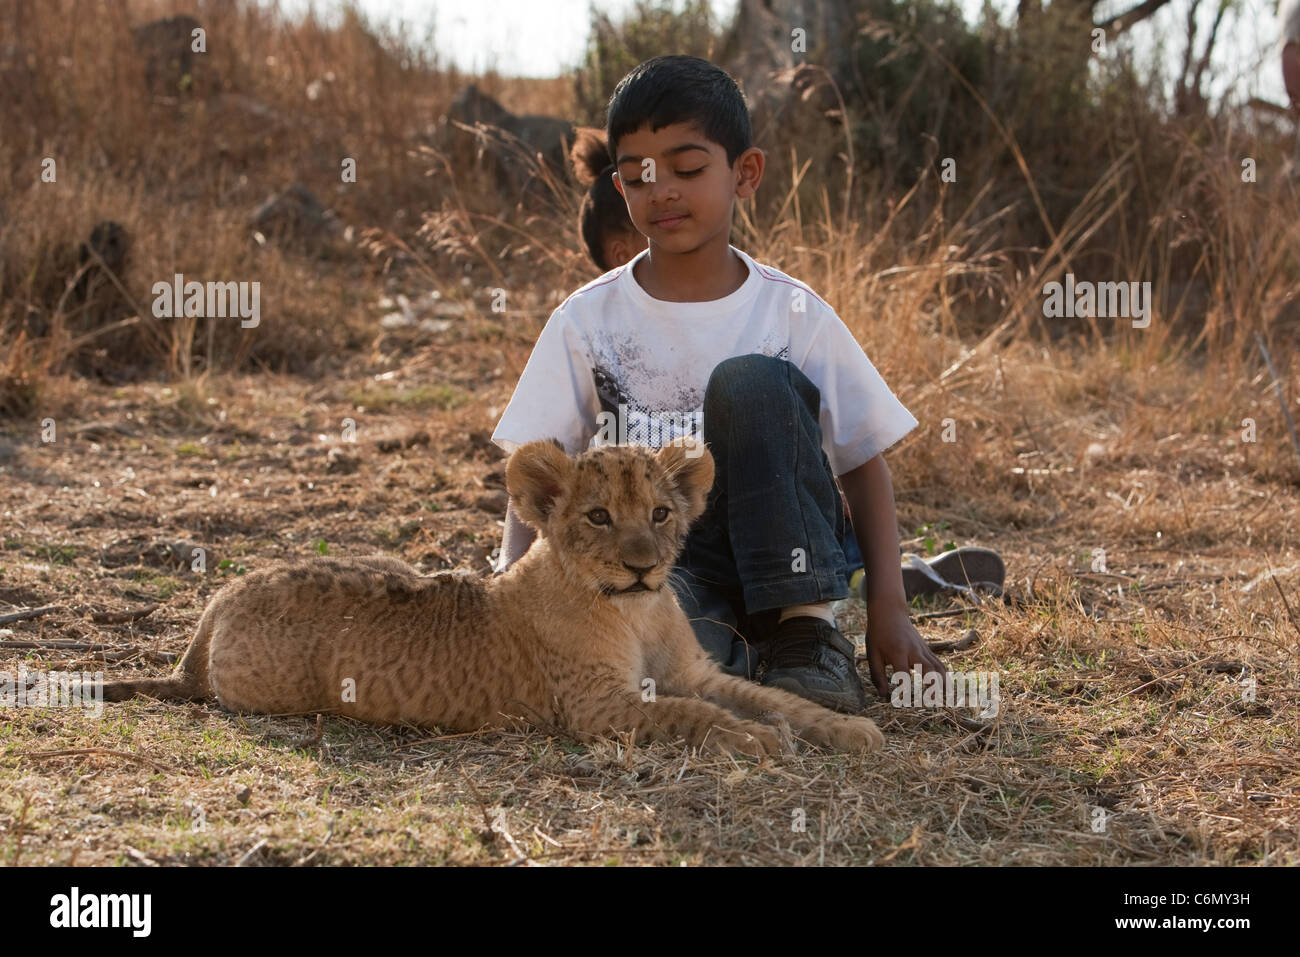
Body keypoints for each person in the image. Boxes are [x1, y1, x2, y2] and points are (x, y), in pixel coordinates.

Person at [491, 55, 946, 713]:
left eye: (688, 168)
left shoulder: (791, 311)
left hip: (781, 539)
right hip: (661, 560)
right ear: (619, 187)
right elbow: (537, 478)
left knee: (748, 382)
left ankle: (813, 629)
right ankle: (751, 650)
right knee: (672, 669)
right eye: (639, 175)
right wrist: (510, 583)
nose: (663, 190)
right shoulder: (586, 320)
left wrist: (890, 608)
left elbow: (861, 461)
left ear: (745, 173)